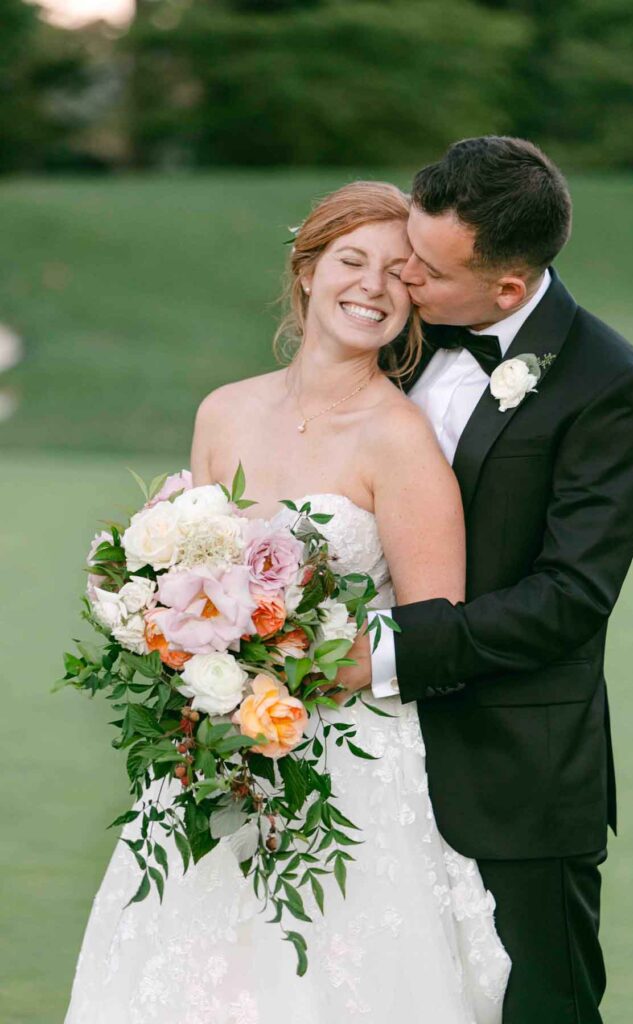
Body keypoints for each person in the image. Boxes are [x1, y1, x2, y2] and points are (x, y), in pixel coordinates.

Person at [63, 181, 511, 1024]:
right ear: (306, 271)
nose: (372, 287)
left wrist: (290, 665)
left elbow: (434, 632)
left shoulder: (400, 439)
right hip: (211, 758)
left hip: (339, 769)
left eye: (398, 273)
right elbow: (188, 574)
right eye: (351, 261)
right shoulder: (223, 411)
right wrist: (167, 636)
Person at [338, 137, 633, 1024]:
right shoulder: (393, 341)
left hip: (516, 769)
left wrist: (377, 654)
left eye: (426, 270)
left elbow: (570, 598)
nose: (399, 277)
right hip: (362, 759)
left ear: (507, 290)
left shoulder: (614, 387)